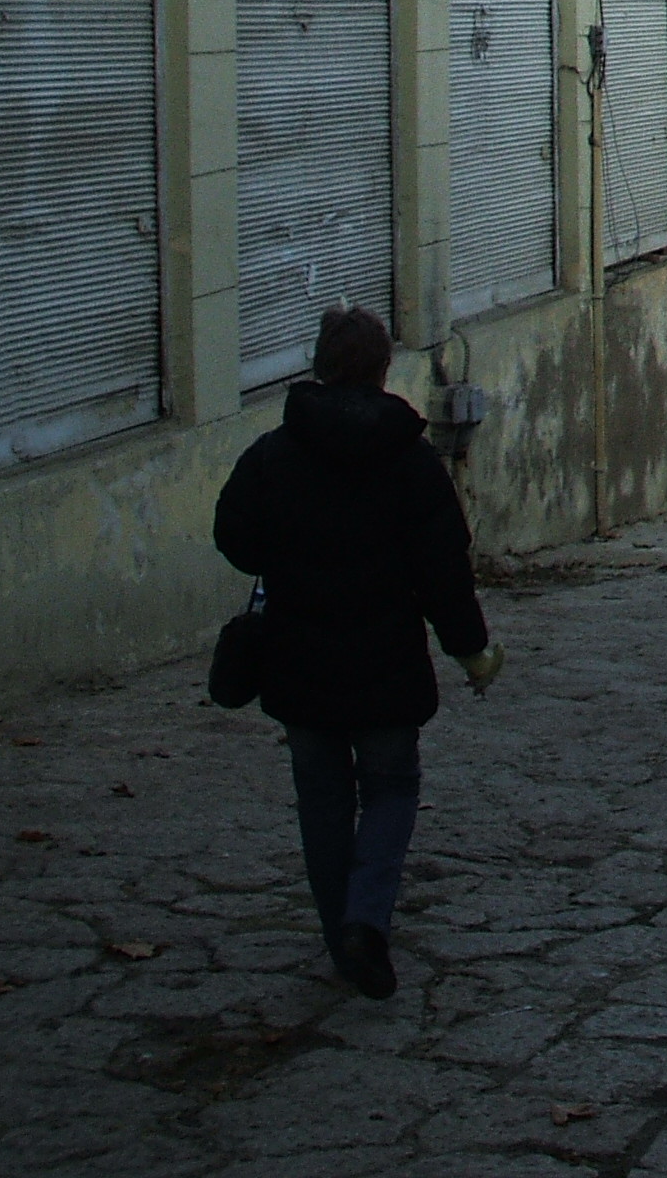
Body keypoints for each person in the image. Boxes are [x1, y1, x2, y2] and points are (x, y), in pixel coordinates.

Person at [213, 307, 500, 1000]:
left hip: (298, 659)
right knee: (392, 788)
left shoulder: (273, 455)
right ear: (381, 370)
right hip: (386, 663)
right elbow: (444, 570)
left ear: (320, 367)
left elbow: (235, 538)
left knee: (321, 797)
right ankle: (365, 920)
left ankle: (338, 929)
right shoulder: (410, 461)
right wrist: (471, 650)